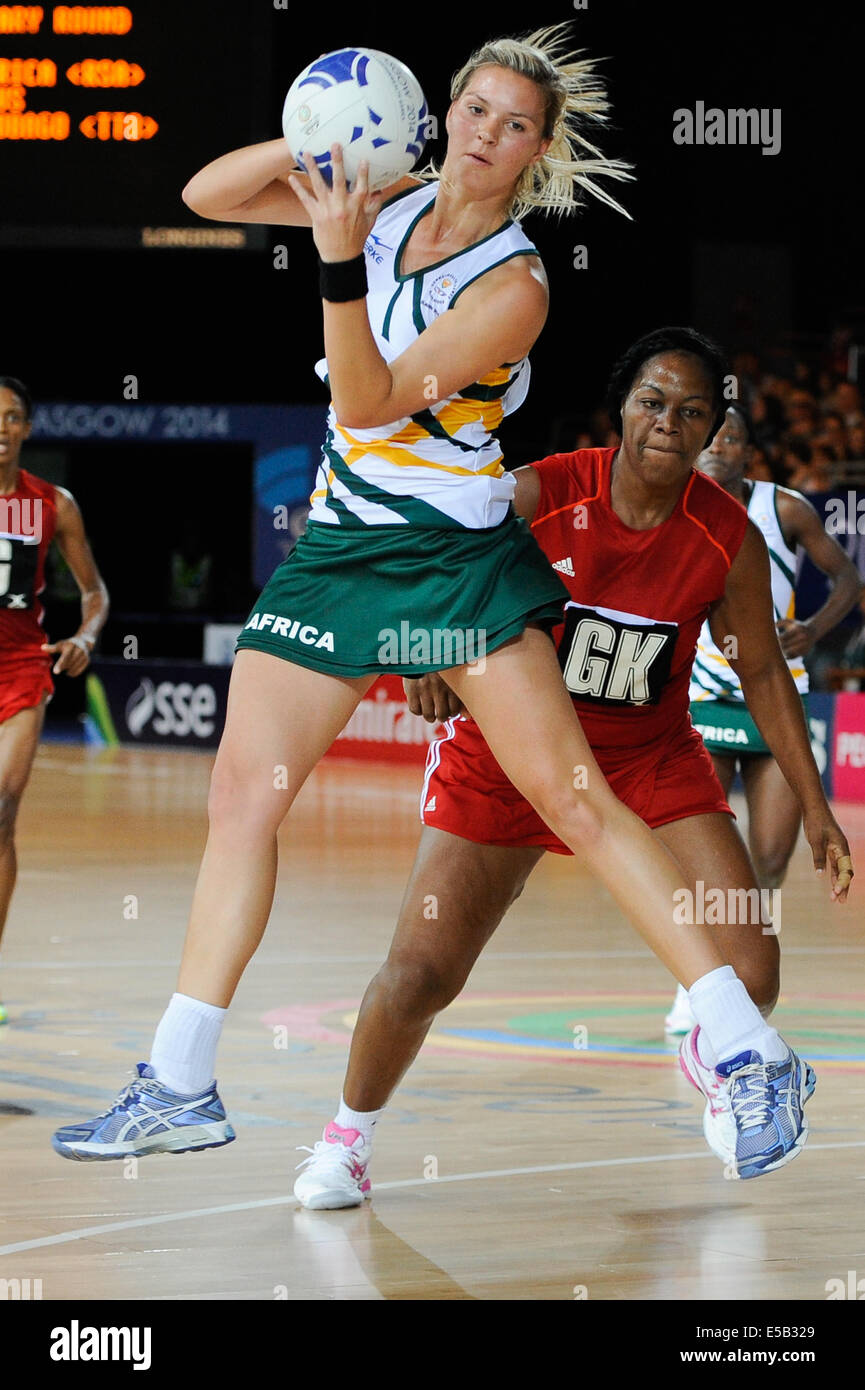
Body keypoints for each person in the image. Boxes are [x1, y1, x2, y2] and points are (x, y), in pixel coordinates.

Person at [51, 30, 847, 1180]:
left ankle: (745, 1047)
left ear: (535, 150)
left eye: (512, 122)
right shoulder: (379, 196)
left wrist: (332, 260)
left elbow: (369, 405)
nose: (484, 132)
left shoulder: (515, 287)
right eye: (471, 107)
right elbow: (203, 191)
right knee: (241, 797)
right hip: (339, 544)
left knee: (575, 800)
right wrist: (323, 140)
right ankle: (180, 1078)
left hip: (449, 553)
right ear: (443, 115)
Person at [291, 329, 854, 1207]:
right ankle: (345, 1140)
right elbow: (427, 544)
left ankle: (717, 1066)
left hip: (647, 761)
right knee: (421, 975)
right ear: (621, 408)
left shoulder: (727, 538)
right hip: (508, 758)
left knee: (751, 966)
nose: (669, 422)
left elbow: (759, 674)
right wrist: (426, 653)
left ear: (713, 430)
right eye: (652, 402)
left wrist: (816, 808)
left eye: (692, 410)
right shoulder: (543, 492)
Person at [664, 402, 862, 1033]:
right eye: (711, 435)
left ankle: (745, 967)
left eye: (733, 437)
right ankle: (692, 982)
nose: (720, 444)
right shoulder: (675, 502)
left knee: (769, 859)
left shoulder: (784, 508)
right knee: (697, 853)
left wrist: (812, 629)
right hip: (702, 697)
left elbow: (849, 578)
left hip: (774, 698)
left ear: (749, 452)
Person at [0, 377, 109, 1024]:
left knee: (3, 810)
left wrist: (86, 638)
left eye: (13, 417)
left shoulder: (53, 505)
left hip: (19, 669)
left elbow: (95, 595)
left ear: (28, 429)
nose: (1, 427)